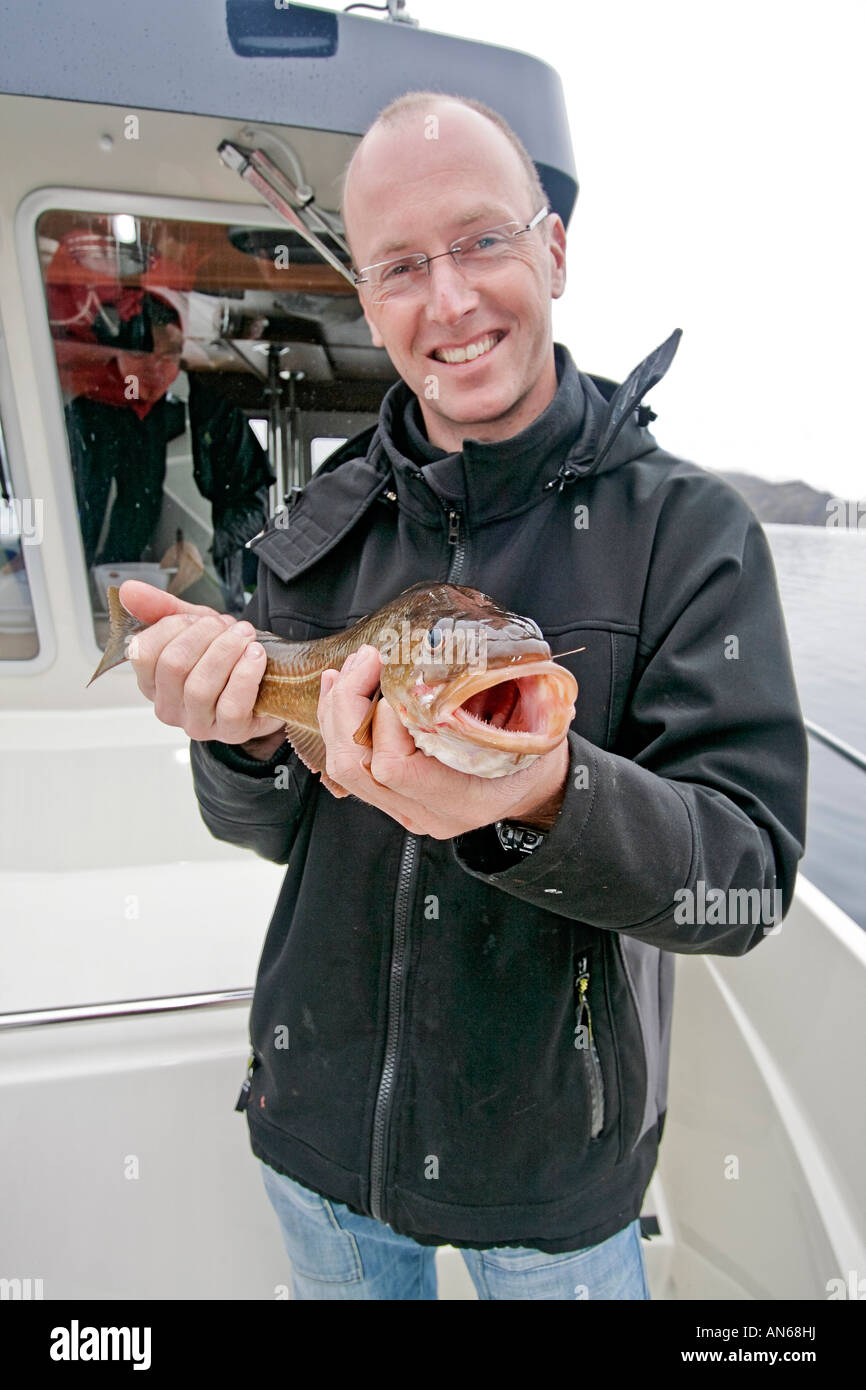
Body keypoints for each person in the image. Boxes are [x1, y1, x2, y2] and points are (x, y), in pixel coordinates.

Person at [120, 92, 807, 1300]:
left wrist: (544, 797)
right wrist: (228, 739)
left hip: (554, 1179)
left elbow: (740, 880)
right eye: (398, 266)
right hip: (316, 1140)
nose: (447, 302)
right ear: (366, 298)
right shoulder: (310, 527)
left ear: (552, 248)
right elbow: (265, 826)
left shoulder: (687, 534)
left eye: (482, 241)